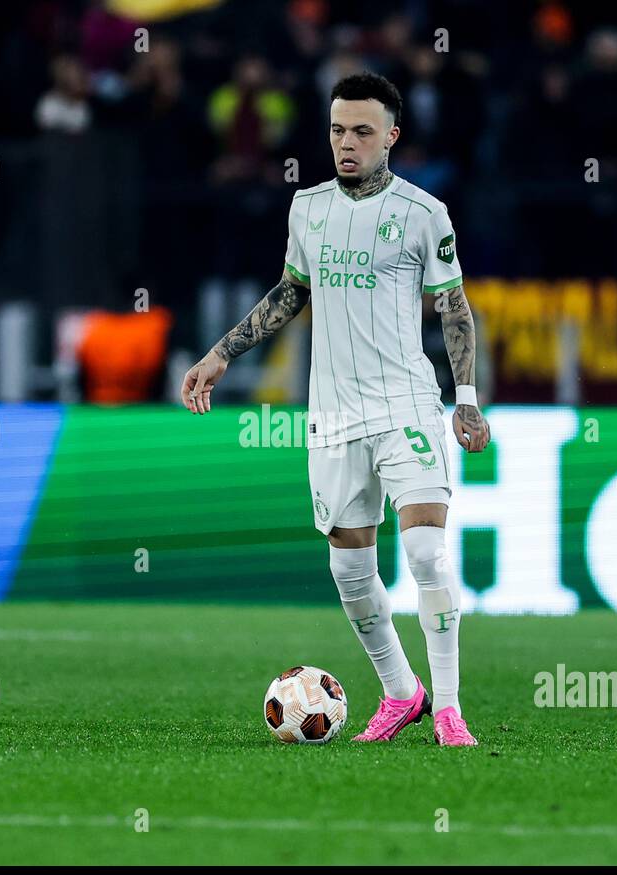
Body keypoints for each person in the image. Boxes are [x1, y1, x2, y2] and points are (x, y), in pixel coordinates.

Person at [179, 72, 489, 747]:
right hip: (334, 415)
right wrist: (222, 352)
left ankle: (450, 709)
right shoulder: (308, 208)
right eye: (338, 130)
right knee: (350, 570)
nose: (347, 144)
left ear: (392, 137)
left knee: (428, 553)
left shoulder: (424, 213)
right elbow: (292, 291)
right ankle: (403, 694)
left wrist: (465, 401)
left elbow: (454, 308)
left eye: (362, 132)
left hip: (406, 402)